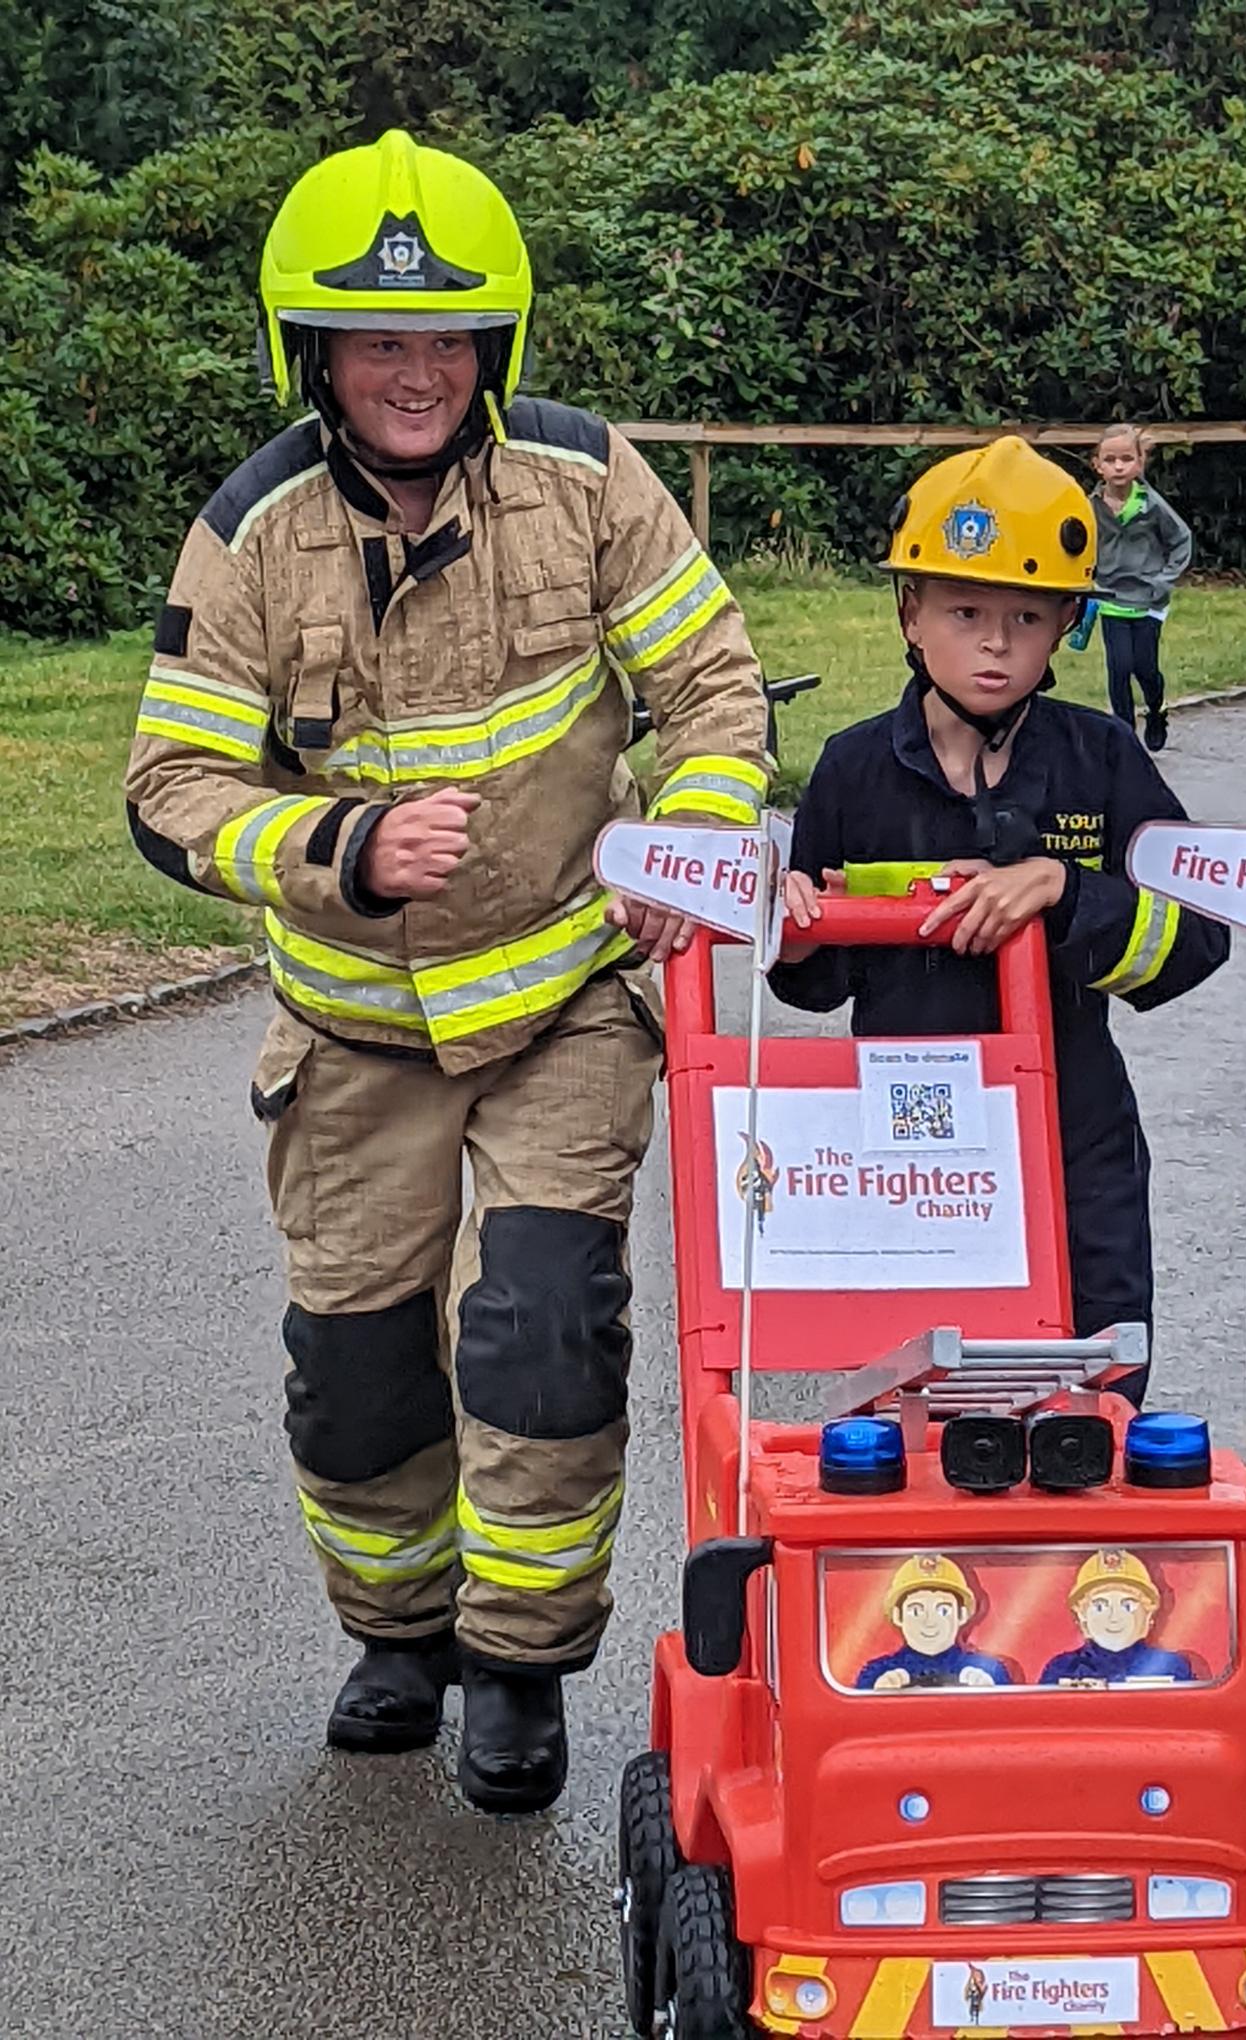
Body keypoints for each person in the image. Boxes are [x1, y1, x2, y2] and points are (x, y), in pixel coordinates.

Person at [123, 131, 768, 1814]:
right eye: (377, 339)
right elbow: (171, 789)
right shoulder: (248, 531)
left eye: (447, 338)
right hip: (352, 1031)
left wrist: (691, 837)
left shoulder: (586, 478)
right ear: (313, 354)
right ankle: (398, 1634)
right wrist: (340, 850)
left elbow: (714, 679)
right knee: (358, 1376)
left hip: (562, 1002)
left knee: (543, 1332)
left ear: (497, 347)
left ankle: (521, 1668)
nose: (416, 373)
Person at [770, 437, 1228, 1387]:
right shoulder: (853, 772)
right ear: (910, 612)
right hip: (908, 1149)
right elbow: (810, 988)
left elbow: (1200, 935)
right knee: (907, 1414)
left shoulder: (1101, 762)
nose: (994, 641)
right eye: (965, 610)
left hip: (1075, 1134)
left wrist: (1069, 894)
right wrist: (798, 922)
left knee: (1090, 1402)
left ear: (1068, 622)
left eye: (1026, 616)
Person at [1089, 425, 1192, 752]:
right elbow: (1076, 544)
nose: (1118, 466)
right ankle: (1124, 735)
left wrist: (1163, 580)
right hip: (1110, 598)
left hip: (1149, 600)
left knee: (1144, 667)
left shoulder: (1152, 506)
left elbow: (1181, 540)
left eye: (1126, 459)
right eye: (1110, 459)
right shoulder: (1089, 506)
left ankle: (1157, 709)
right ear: (1097, 465)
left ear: (1139, 463)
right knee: (1119, 668)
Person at [1038, 1548, 1194, 1687]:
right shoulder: (1063, 1668)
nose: (1114, 1617)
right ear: (1082, 1614)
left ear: (1148, 1613)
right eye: (1100, 1606)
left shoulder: (1171, 1666)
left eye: (1128, 1606)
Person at [855, 1555, 1012, 1690]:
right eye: (916, 1611)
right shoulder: (876, 1672)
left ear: (962, 1615)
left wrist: (990, 1694)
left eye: (943, 1611)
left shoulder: (990, 1670)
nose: (929, 1621)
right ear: (898, 1616)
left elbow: (1013, 1718)